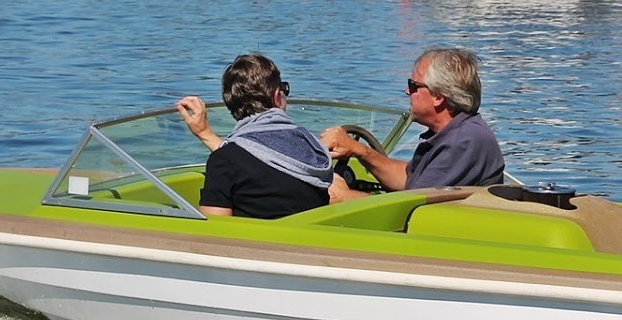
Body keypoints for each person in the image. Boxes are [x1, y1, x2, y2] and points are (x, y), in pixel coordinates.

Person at [321, 47, 505, 202]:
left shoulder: (464, 141)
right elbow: (409, 179)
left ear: (438, 97)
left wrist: (344, 196)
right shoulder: (450, 133)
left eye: (414, 85)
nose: (407, 91)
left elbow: (412, 207)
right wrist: (360, 151)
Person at [176, 54, 332, 218]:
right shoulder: (312, 150)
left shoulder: (225, 161)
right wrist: (205, 134)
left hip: (258, 243)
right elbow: (261, 157)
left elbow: (214, 230)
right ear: (277, 96)